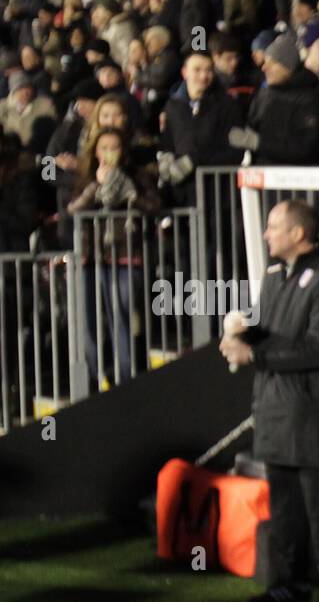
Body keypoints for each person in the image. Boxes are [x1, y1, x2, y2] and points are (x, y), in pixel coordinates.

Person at [220, 200, 319, 602]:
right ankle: (288, 583)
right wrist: (246, 333)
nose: (266, 235)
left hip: (312, 413)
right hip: (277, 410)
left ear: (299, 233)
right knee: (284, 506)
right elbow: (276, 335)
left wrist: (254, 355)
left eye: (274, 227)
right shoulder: (277, 276)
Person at [68, 125, 160, 390]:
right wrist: (97, 185)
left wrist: (130, 194)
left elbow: (154, 205)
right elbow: (72, 210)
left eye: (114, 148)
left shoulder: (137, 176)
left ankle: (124, 376)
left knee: (121, 313)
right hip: (90, 256)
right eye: (104, 148)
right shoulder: (85, 177)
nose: (109, 153)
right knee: (87, 323)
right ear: (95, 151)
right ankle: (99, 376)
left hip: (125, 255)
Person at [158, 51, 244, 207]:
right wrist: (166, 159)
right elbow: (168, 141)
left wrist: (193, 160)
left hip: (217, 195)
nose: (204, 76)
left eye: (208, 70)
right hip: (182, 193)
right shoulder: (173, 106)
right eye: (197, 70)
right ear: (185, 72)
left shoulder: (227, 105)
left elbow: (235, 150)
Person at [231, 33, 319, 163]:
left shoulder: (309, 100)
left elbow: (306, 148)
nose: (264, 68)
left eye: (273, 63)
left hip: (294, 180)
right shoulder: (264, 94)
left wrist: (258, 143)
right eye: (265, 62)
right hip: (262, 176)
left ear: (288, 66)